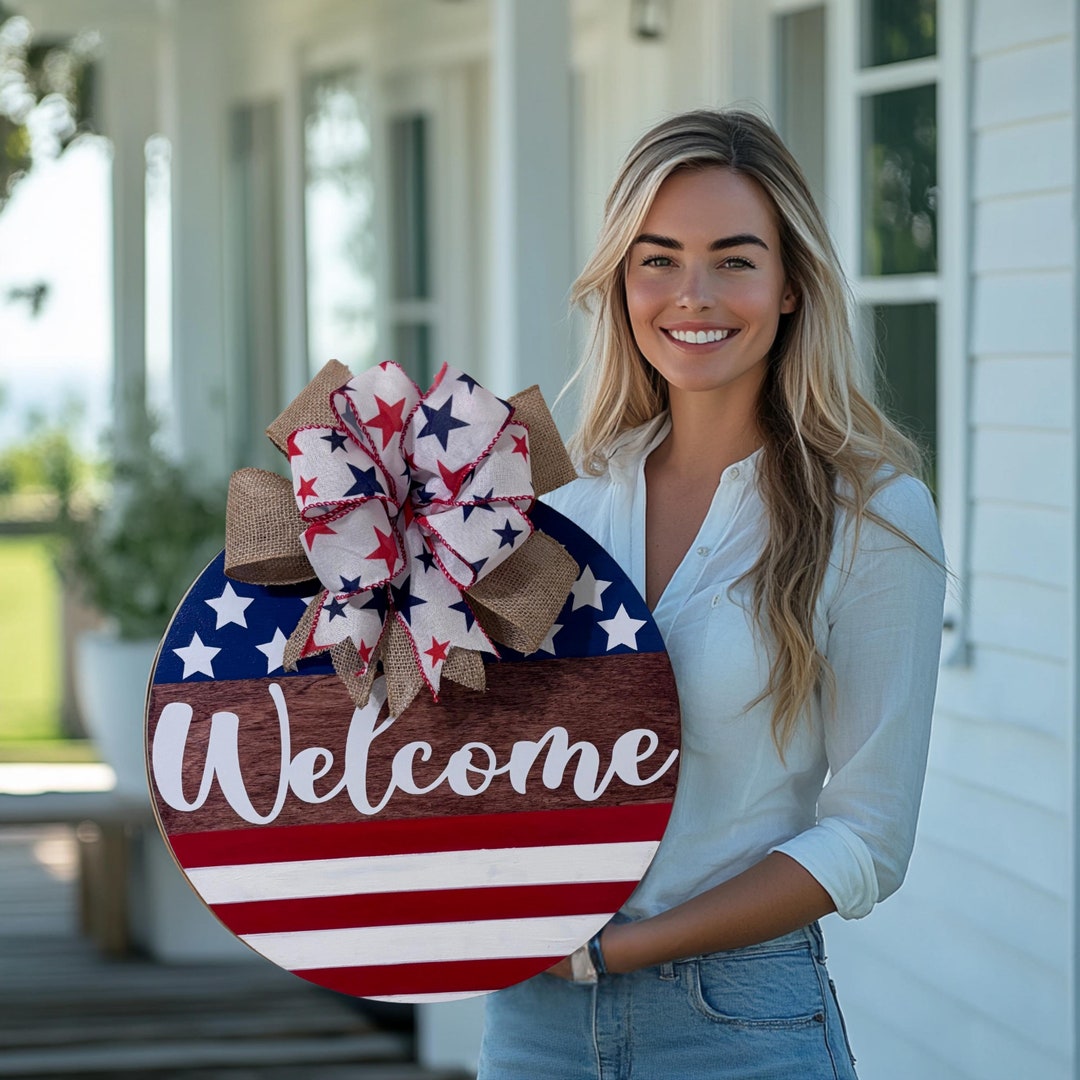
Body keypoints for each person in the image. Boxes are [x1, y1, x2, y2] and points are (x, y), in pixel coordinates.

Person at [477, 108, 946, 1079]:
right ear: (620, 281)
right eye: (658, 258)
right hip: (530, 1026)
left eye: (734, 259)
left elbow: (868, 841)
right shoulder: (553, 502)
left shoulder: (873, 514)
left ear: (789, 287)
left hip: (738, 1023)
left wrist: (616, 951)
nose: (694, 294)